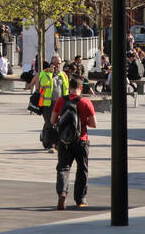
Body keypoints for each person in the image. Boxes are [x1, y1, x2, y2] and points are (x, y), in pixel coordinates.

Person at [51, 76, 97, 210]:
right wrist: (83, 122)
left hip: (65, 141)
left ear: (68, 87)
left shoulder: (61, 100)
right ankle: (80, 199)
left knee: (63, 168)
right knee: (82, 170)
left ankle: (63, 192)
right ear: (81, 87)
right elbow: (94, 124)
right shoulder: (85, 102)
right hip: (81, 140)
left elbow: (53, 121)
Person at [31, 54, 69, 151]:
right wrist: (51, 73)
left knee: (59, 123)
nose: (57, 65)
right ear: (51, 64)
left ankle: (55, 142)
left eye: (59, 63)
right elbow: (43, 83)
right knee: (49, 123)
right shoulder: (44, 73)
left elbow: (66, 89)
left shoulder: (63, 75)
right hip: (48, 103)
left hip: (60, 103)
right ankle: (48, 144)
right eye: (55, 63)